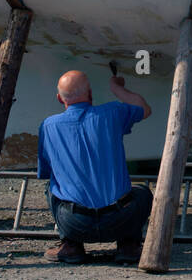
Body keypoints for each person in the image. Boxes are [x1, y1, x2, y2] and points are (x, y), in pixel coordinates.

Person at [38, 69, 152, 264]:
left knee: (51, 188)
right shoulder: (113, 113)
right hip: (120, 219)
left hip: (75, 223)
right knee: (142, 193)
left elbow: (46, 172)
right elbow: (144, 108)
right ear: (90, 94)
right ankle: (129, 246)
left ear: (59, 98)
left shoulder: (47, 126)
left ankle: (71, 246)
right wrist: (116, 87)